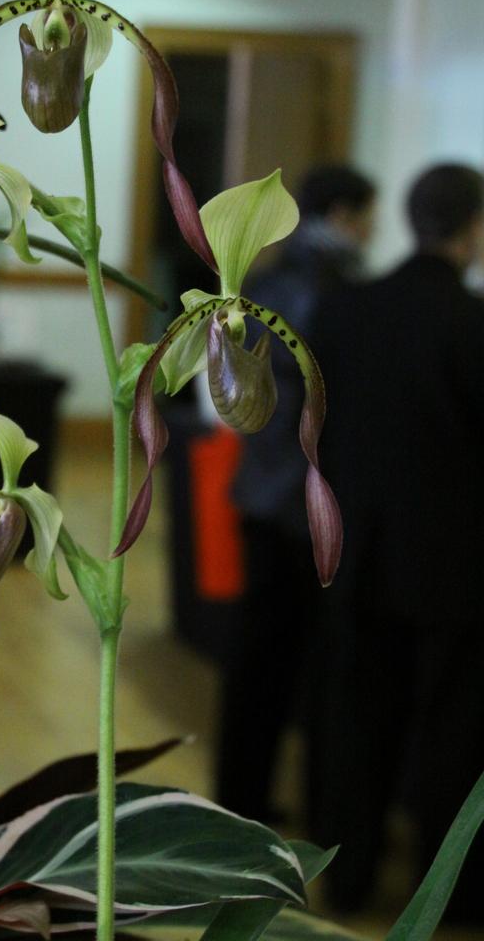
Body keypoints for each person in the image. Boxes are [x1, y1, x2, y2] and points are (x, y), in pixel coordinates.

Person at [310, 163, 484, 923]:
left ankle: (347, 882)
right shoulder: (472, 322)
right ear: (472, 228)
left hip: (359, 550)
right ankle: (451, 894)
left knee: (358, 721)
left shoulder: (345, 310)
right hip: (455, 563)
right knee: (452, 728)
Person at [215, 164, 376, 823]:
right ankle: (324, 814)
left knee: (256, 662)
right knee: (316, 667)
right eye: (367, 215)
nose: (372, 230)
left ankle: (239, 799)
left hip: (260, 488)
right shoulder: (338, 290)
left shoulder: (263, 278)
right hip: (307, 501)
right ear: (343, 215)